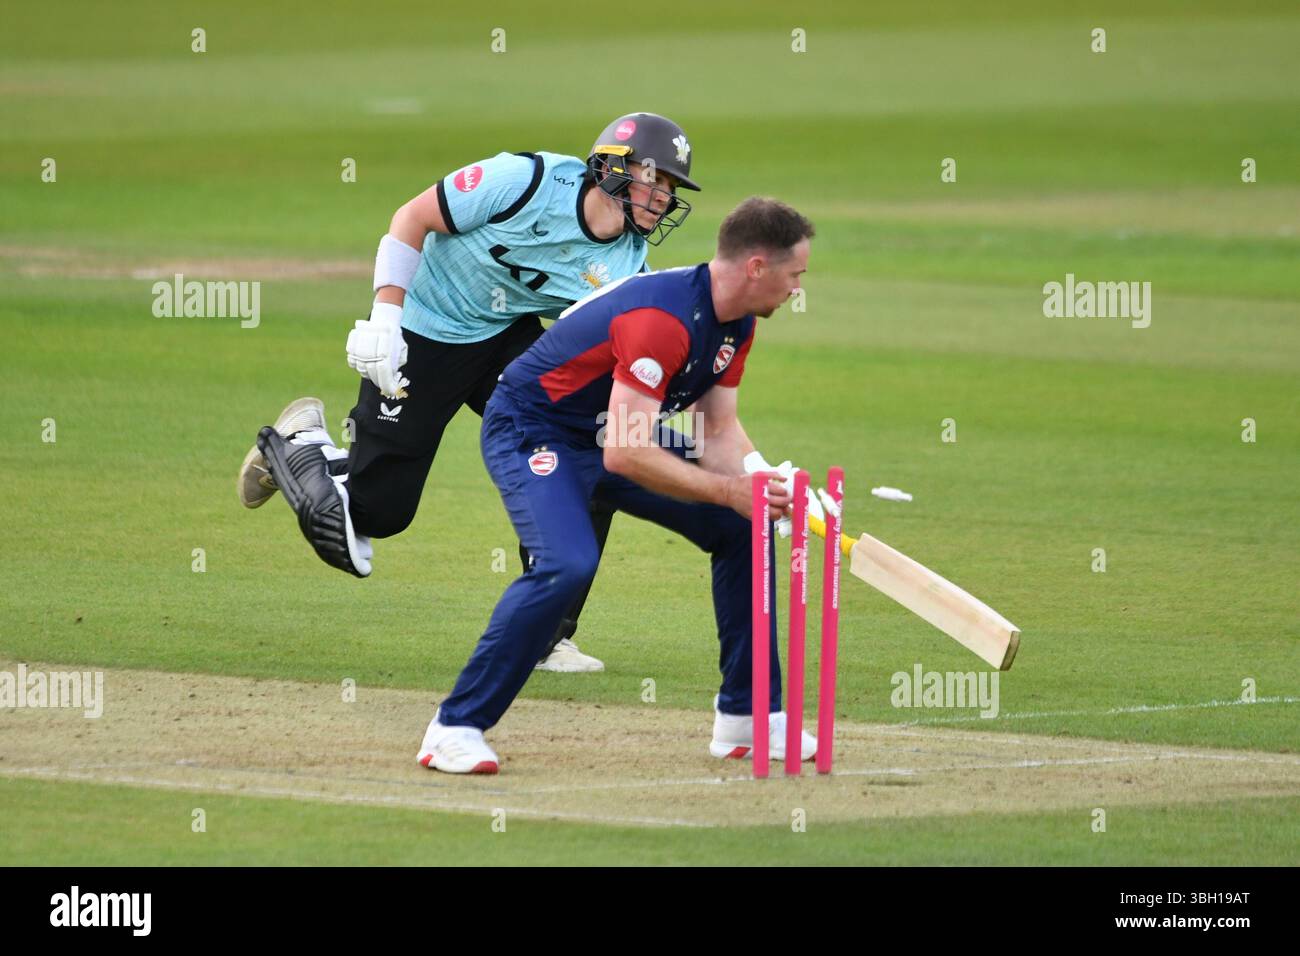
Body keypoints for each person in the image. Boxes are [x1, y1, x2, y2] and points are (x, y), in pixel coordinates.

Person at [237, 113, 699, 673]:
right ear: (609, 168)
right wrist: (386, 316)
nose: (661, 199)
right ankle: (300, 443)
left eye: (671, 190)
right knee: (374, 517)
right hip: (424, 330)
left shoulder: (626, 264)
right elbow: (412, 217)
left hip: (508, 341)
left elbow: (619, 350)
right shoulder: (525, 180)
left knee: (586, 452)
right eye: (655, 180)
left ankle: (545, 633)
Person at [416, 197, 819, 774]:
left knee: (743, 524)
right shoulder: (664, 319)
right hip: (535, 429)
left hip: (605, 432)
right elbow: (628, 453)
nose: (797, 289)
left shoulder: (738, 321)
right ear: (757, 266)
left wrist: (768, 482)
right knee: (566, 565)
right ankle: (453, 728)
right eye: (795, 274)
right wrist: (730, 491)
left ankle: (748, 719)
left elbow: (717, 427)